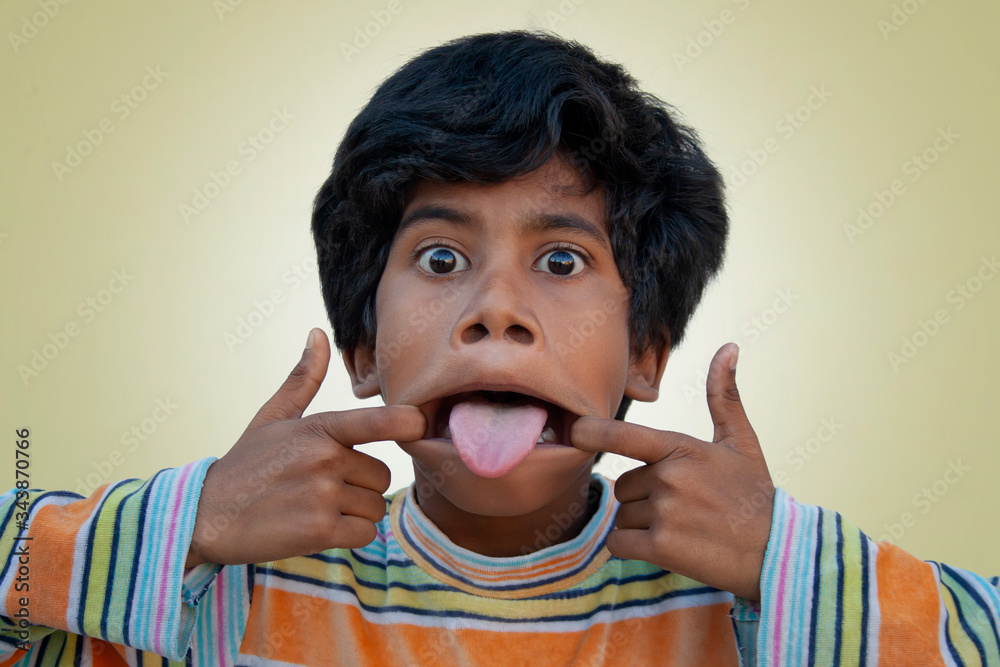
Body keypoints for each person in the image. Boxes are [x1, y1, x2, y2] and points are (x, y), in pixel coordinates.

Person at [2, 30, 998, 666]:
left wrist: (787, 560)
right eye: (440, 256)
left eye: (561, 262)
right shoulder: (219, 593)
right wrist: (193, 521)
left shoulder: (759, 611)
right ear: (365, 349)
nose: (495, 310)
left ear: (645, 354)